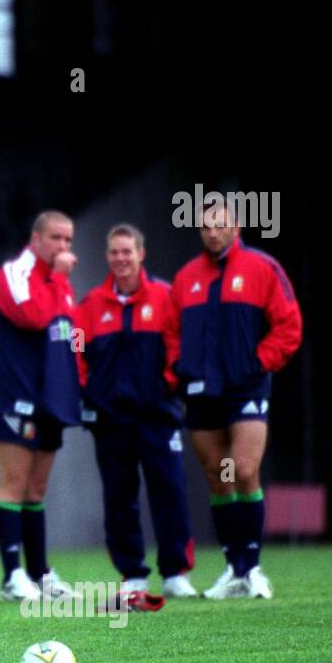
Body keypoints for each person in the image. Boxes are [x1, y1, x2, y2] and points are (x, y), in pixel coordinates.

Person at [168, 199, 302, 599]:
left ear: (236, 225)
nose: (212, 232)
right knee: (218, 473)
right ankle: (233, 567)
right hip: (202, 392)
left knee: (243, 469)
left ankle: (252, 567)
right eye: (206, 226)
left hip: (245, 388)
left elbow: (289, 325)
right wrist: (179, 364)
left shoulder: (261, 268)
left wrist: (259, 362)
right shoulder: (187, 277)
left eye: (220, 224)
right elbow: (170, 331)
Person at [74, 224, 197, 598]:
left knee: (170, 491)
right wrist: (89, 393)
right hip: (111, 421)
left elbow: (179, 345)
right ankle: (133, 575)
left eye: (127, 251)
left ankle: (175, 573)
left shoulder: (165, 297)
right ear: (107, 256)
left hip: (157, 415)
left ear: (141, 254)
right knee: (119, 498)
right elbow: (75, 353)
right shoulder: (91, 304)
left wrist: (167, 382)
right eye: (114, 252)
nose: (120, 258)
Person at [0, 211, 82, 602]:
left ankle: (40, 574)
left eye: (68, 240)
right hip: (17, 396)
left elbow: (69, 335)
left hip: (51, 398)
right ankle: (13, 577)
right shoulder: (15, 273)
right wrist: (57, 277)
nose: (63, 247)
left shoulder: (60, 284)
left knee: (37, 488)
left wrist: (79, 386)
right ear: (36, 238)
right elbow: (33, 316)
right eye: (56, 238)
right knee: (14, 484)